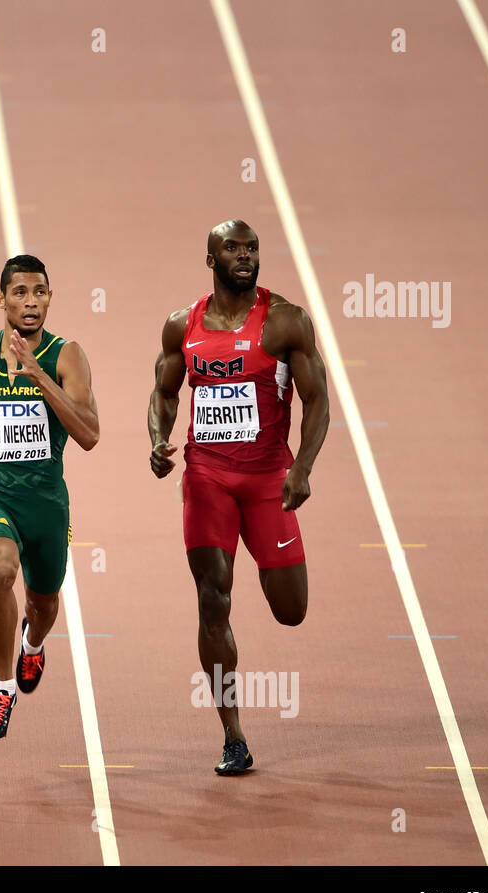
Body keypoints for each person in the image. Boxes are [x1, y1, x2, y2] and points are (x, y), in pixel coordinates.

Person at [148, 220, 329, 773]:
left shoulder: (286, 323)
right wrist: (158, 439)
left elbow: (318, 401)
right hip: (207, 476)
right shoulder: (183, 326)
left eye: (252, 248)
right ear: (211, 258)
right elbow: (162, 392)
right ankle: (232, 735)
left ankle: (263, 555)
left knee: (291, 610)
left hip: (268, 479)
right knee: (213, 597)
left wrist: (301, 467)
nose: (245, 256)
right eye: (232, 248)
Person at [0, 254, 99, 740]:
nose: (31, 302)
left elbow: (89, 434)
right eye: (20, 293)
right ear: (1, 298)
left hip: (46, 504)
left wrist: (38, 375)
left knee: (44, 606)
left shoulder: (67, 355)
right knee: (0, 568)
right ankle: (3, 687)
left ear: (50, 297)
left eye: (40, 292)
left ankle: (32, 644)